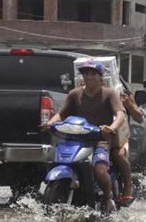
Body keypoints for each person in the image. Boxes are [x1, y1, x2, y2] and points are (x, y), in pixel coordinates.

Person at [46, 59, 129, 214]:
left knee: (99, 170)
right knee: (53, 159)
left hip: (100, 140)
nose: (88, 77)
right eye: (85, 73)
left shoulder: (109, 94)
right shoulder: (74, 94)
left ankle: (107, 198)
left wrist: (111, 128)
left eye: (92, 74)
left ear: (100, 77)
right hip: (75, 139)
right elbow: (61, 114)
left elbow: (120, 114)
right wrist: (50, 123)